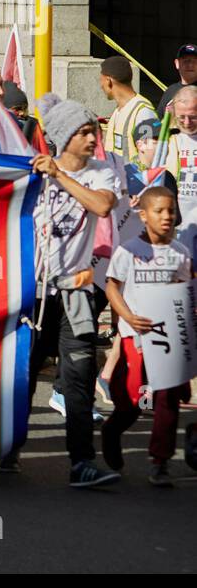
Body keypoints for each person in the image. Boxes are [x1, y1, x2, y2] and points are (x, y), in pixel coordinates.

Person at [3, 93, 120, 487]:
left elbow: (102, 207)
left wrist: (59, 175)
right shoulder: (31, 172)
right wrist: (43, 173)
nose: (92, 139)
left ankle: (82, 463)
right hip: (32, 293)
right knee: (25, 373)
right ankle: (10, 449)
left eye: (94, 131)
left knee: (79, 377)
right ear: (63, 136)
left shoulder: (101, 172)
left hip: (78, 293)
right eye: (84, 132)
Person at [102, 186, 192, 487]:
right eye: (159, 211)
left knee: (166, 401)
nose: (167, 217)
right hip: (135, 338)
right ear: (143, 215)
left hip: (168, 340)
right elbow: (112, 286)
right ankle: (112, 431)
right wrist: (127, 317)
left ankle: (160, 461)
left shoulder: (181, 253)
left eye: (171, 210)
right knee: (131, 401)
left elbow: (186, 292)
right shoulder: (128, 251)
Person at [99, 56, 156, 166]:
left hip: (136, 181)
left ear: (108, 81)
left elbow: (152, 158)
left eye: (101, 80)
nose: (101, 86)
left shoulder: (143, 112)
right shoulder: (119, 110)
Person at [162, 85, 197, 223]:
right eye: (182, 117)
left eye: (193, 117)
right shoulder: (166, 140)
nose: (187, 123)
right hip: (177, 220)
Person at [156, 43, 197, 115]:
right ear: (177, 63)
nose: (190, 65)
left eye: (194, 61)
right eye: (186, 61)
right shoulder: (170, 91)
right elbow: (158, 121)